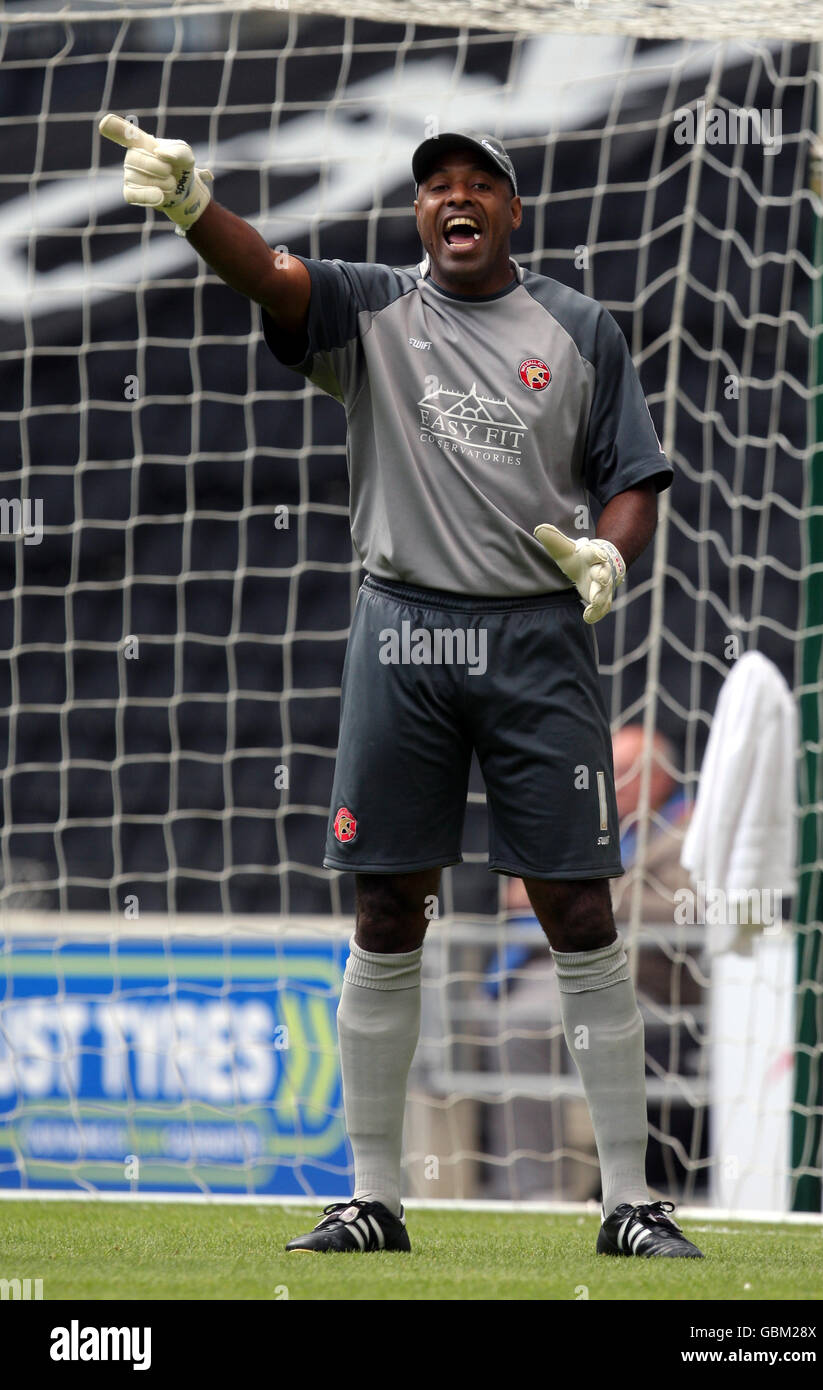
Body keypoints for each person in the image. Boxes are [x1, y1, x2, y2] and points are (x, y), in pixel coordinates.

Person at [100, 117, 703, 1259]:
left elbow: (631, 480)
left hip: (534, 641)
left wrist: (608, 557)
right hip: (402, 634)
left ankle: (629, 1201)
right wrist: (192, 212)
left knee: (575, 908)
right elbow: (268, 273)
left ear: (513, 211)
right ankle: (372, 1196)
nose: (455, 197)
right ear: (418, 211)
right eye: (436, 184)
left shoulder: (578, 330)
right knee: (386, 910)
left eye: (480, 183)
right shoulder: (371, 307)